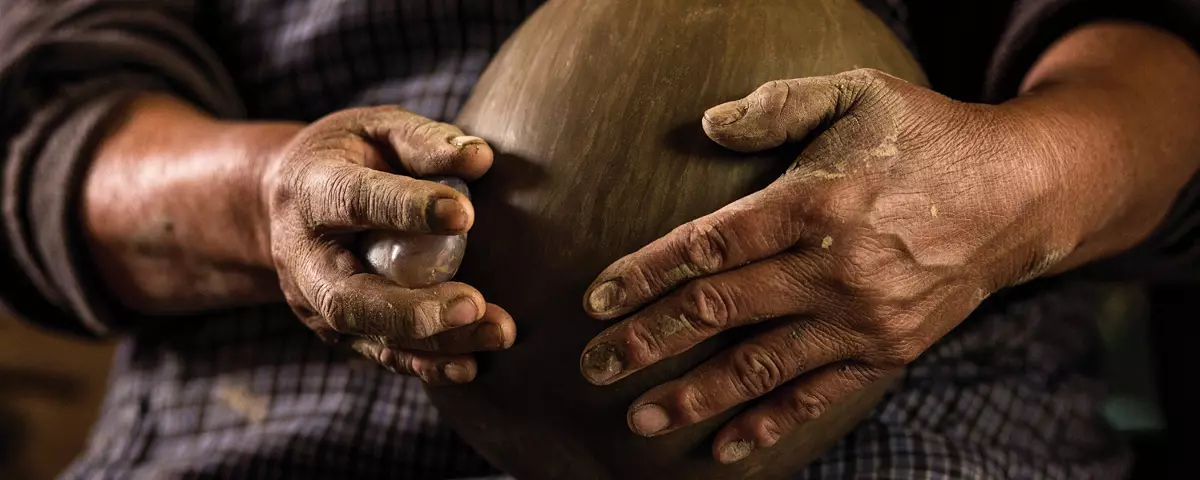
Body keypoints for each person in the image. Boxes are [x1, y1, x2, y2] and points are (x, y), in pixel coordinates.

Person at [0, 0, 1196, 478]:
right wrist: (270, 198)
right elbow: (41, 123)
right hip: (273, 423)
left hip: (922, 432)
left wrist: (1019, 186)